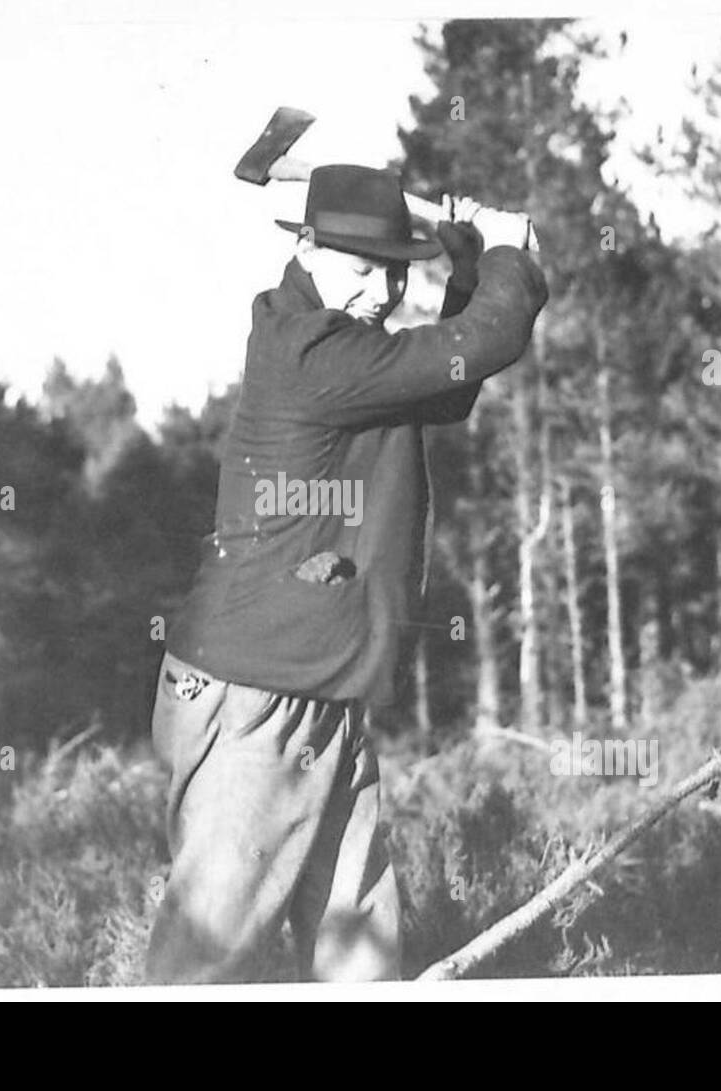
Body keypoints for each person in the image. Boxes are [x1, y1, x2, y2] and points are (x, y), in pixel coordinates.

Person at [145, 164, 548, 984]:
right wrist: (511, 257)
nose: (382, 291)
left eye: (397, 271)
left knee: (358, 954)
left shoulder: (329, 338)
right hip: (258, 693)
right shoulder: (310, 351)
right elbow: (485, 344)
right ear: (304, 247)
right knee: (204, 966)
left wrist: (467, 267)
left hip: (314, 681)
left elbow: (447, 386)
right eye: (362, 269)